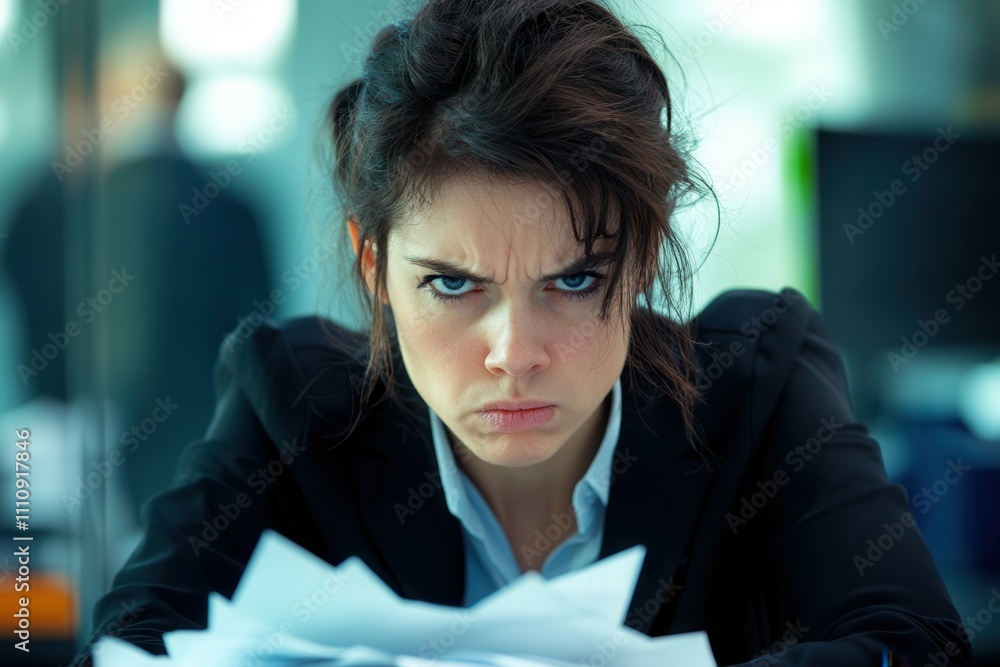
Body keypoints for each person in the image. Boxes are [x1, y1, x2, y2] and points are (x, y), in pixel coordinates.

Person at [70, 0, 972, 665]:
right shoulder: (292, 401)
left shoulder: (758, 381)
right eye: (452, 284)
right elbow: (125, 643)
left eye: (573, 280)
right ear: (375, 267)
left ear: (644, 256)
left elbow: (917, 647)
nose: (514, 352)